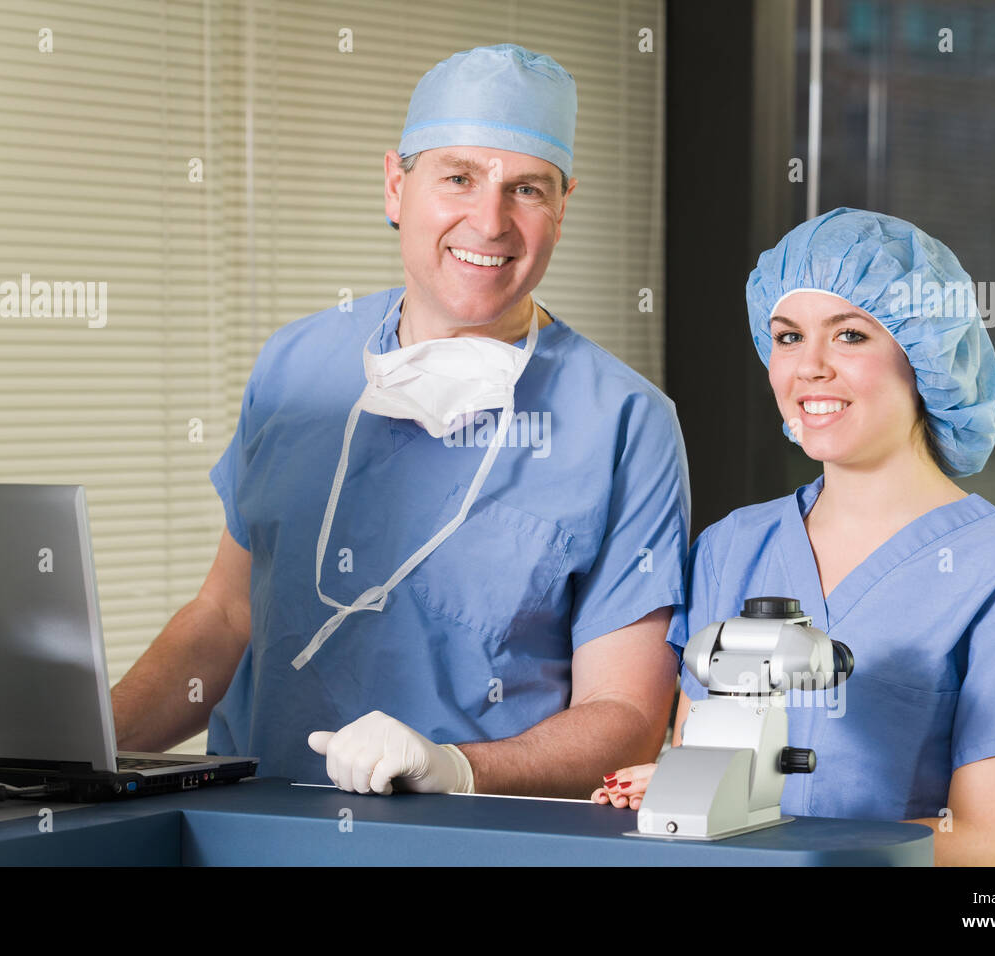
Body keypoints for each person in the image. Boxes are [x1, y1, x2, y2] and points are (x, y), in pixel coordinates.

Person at [110, 44, 690, 799]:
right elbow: (225, 617)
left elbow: (626, 714)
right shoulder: (296, 366)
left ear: (563, 208)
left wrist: (457, 770)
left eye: (527, 190)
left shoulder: (623, 423)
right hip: (252, 830)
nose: (490, 219)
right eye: (458, 177)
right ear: (395, 186)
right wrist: (58, 753)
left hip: (478, 843)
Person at [593, 208, 995, 866]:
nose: (809, 367)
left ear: (927, 352)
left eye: (849, 335)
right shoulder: (732, 549)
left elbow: (986, 847)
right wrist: (684, 794)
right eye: (787, 337)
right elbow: (702, 766)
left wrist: (760, 823)